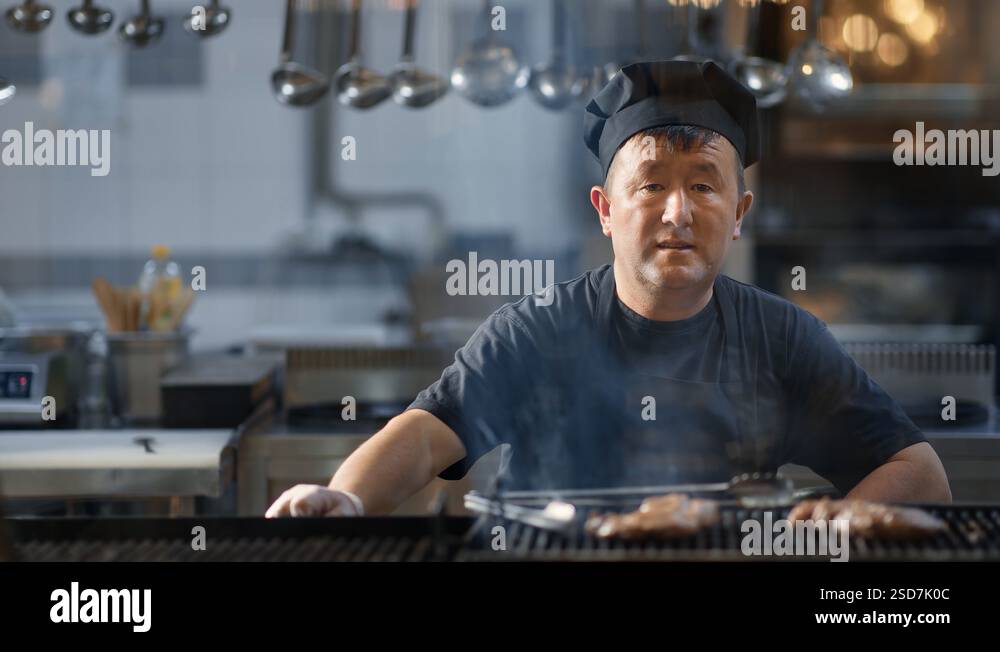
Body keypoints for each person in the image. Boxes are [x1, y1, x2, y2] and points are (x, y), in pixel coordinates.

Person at [267, 60, 951, 518]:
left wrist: (842, 529)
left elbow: (919, 471)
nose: (678, 212)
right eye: (652, 184)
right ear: (605, 208)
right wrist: (344, 499)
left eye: (705, 186)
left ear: (739, 215)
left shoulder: (782, 338)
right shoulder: (535, 332)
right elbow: (422, 439)